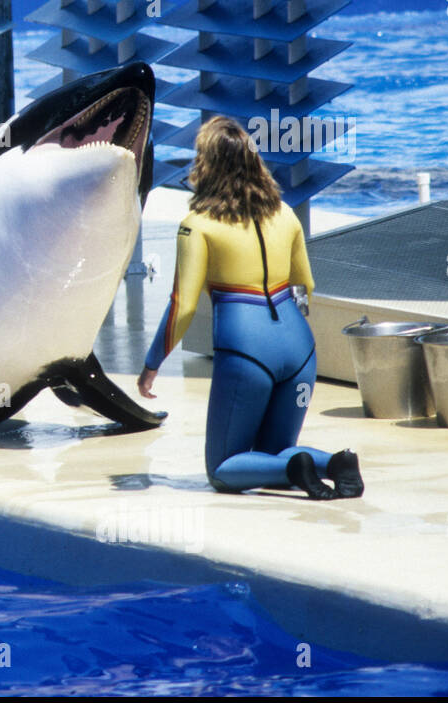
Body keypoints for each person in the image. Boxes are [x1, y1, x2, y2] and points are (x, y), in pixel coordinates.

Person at [136, 116, 362, 500]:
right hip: (300, 350)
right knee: (273, 452)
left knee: (223, 469)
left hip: (245, 350)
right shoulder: (285, 213)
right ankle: (335, 464)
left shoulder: (198, 225)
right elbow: (305, 281)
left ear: (205, 165)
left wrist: (152, 364)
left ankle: (296, 470)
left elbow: (183, 306)